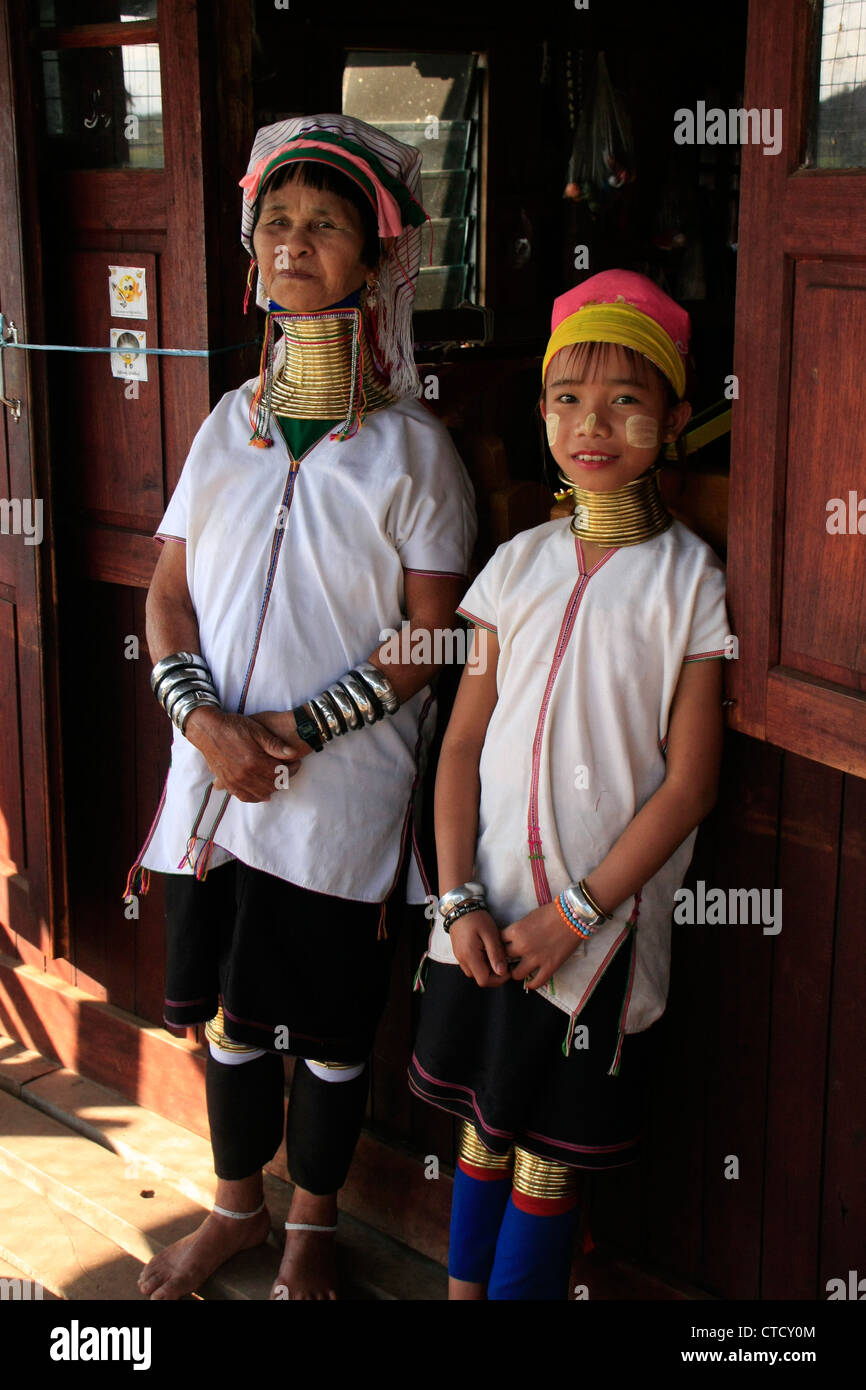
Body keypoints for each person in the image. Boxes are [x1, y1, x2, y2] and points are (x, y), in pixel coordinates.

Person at [127, 114, 476, 1301]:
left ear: (377, 262)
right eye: (276, 221)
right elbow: (165, 590)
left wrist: (297, 732)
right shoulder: (226, 428)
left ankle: (311, 1229)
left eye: (324, 223)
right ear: (249, 253)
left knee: (326, 1028)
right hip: (212, 786)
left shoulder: (416, 455)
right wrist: (208, 724)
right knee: (228, 1016)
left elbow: (427, 637)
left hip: (335, 805)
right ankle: (234, 1208)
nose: (293, 240)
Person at [409, 269, 730, 1301]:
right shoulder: (513, 566)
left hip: (592, 937)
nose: (591, 424)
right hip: (486, 915)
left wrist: (576, 913)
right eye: (566, 399)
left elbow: (686, 788)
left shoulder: (690, 582)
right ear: (541, 410)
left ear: (674, 417)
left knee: (548, 1152)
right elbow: (458, 747)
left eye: (626, 400)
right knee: (480, 1127)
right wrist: (456, 897)